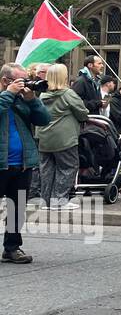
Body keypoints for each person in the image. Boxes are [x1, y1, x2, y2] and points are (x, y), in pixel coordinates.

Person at [1, 64, 50, 264]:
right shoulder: (7, 97)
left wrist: (32, 101)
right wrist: (8, 94)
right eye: (20, 80)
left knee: (17, 208)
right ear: (6, 81)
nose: (24, 84)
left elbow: (44, 119)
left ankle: (12, 248)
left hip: (21, 164)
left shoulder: (22, 100)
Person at [35, 63, 89, 211]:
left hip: (44, 137)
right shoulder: (68, 94)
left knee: (46, 169)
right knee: (68, 167)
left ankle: (45, 201)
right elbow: (83, 113)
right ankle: (59, 200)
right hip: (64, 138)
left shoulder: (42, 95)